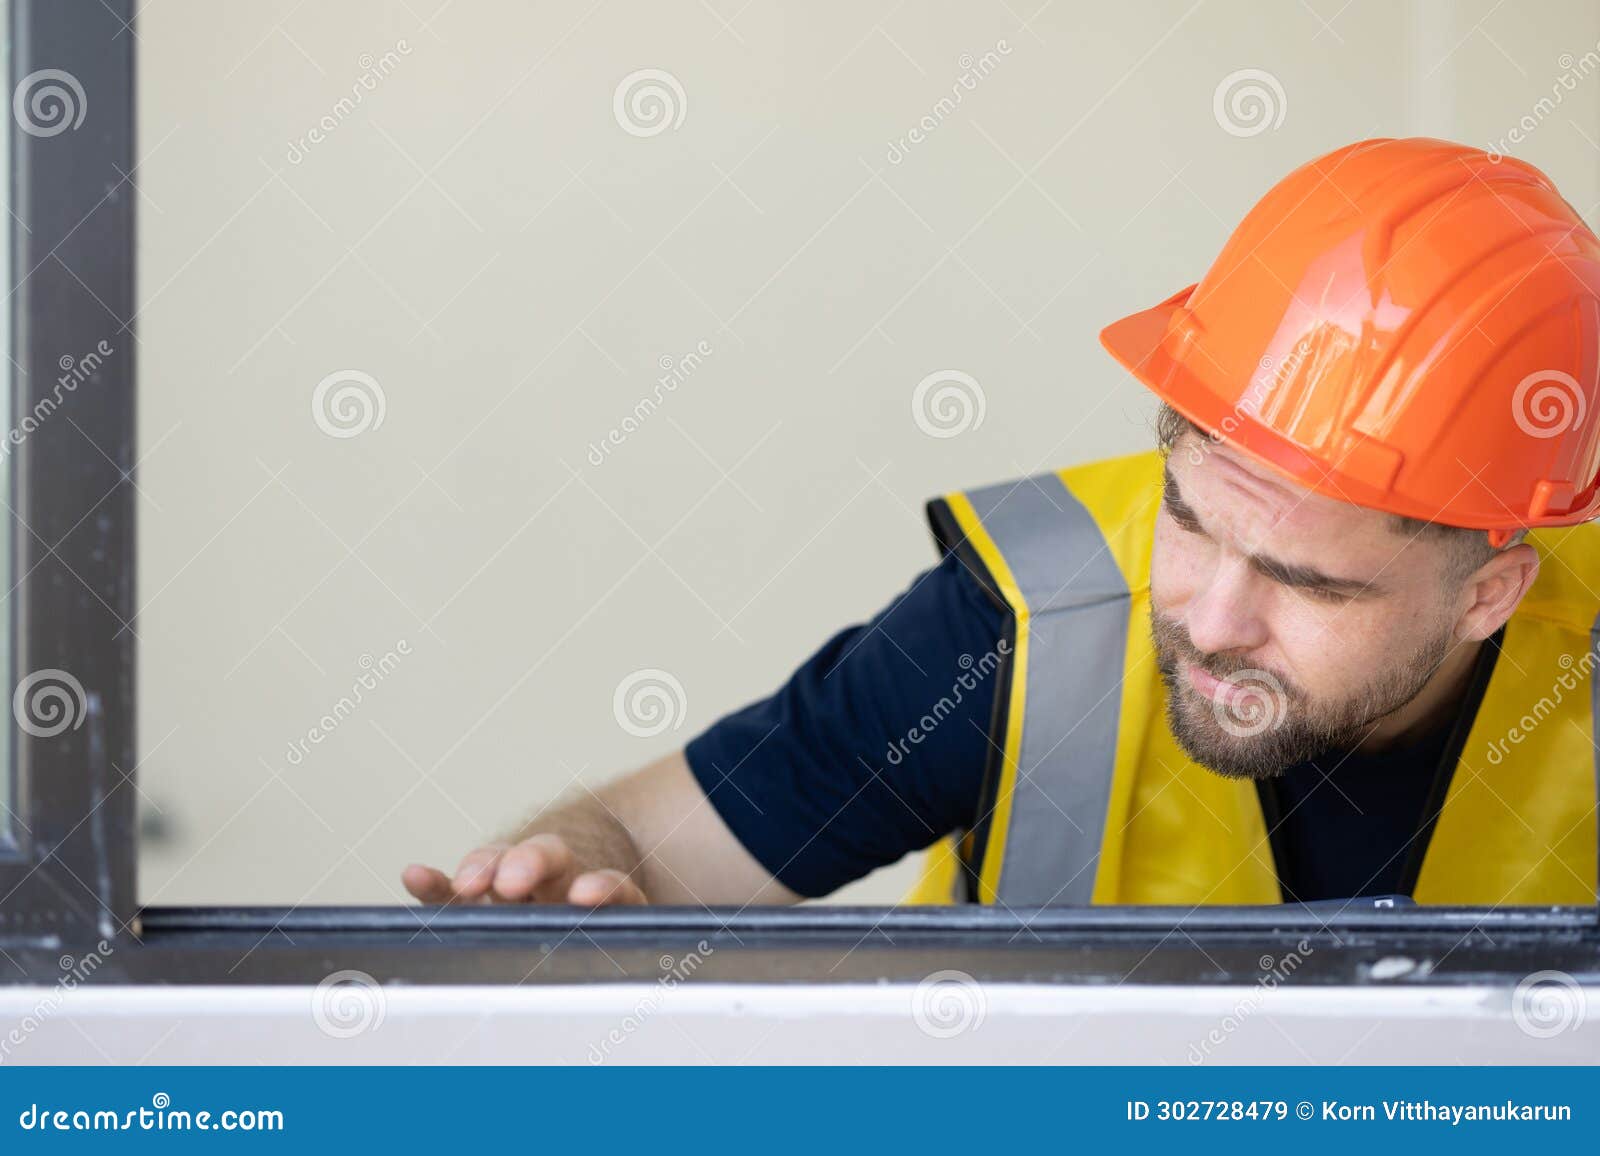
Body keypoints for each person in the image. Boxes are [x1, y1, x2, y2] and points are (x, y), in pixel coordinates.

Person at [403, 137, 1600, 910]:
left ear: (1490, 587)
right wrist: (568, 877)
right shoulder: (1031, 618)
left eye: (1310, 584)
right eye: (1188, 519)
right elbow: (636, 840)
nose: (1211, 618)